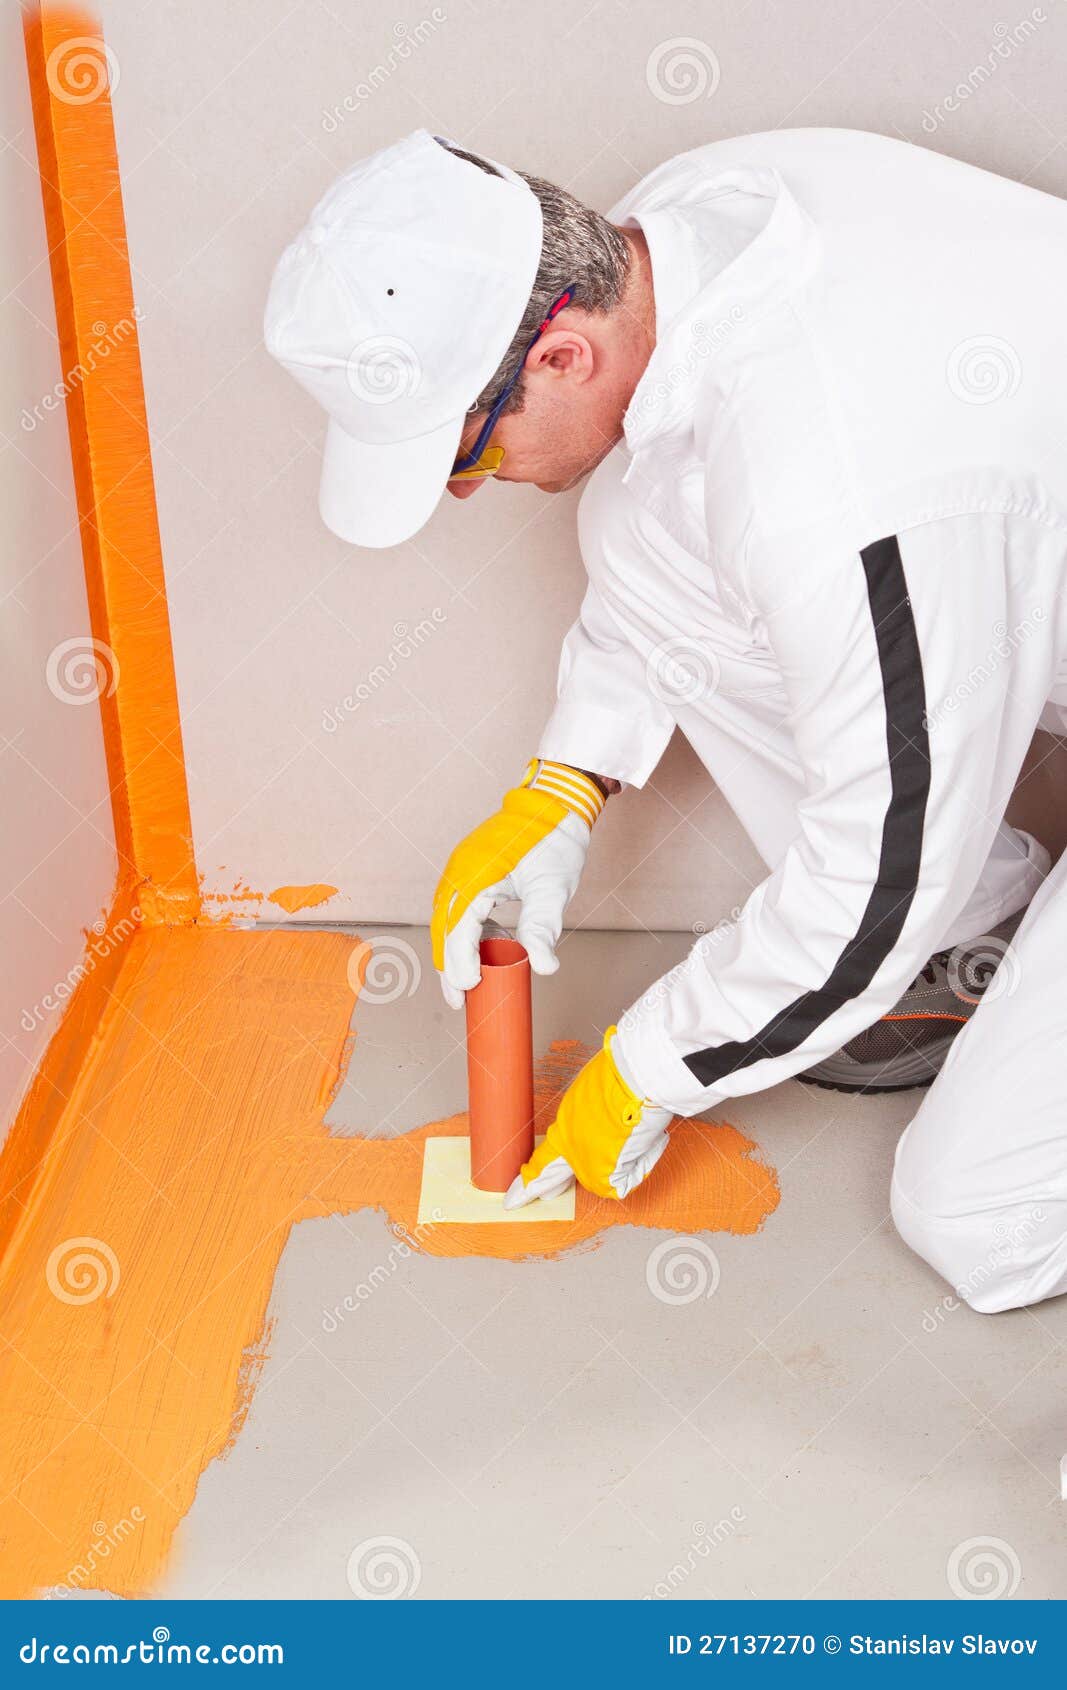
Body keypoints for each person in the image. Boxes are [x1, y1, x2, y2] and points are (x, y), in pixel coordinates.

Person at [265, 127, 1067, 1312]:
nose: (467, 487)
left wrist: (651, 1065)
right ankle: (977, 940)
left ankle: (932, 948)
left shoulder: (839, 476)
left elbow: (873, 877)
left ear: (562, 350)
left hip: (933, 525)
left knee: (974, 1219)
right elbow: (668, 547)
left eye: (465, 447)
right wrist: (565, 786)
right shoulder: (672, 235)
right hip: (987, 548)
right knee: (659, 515)